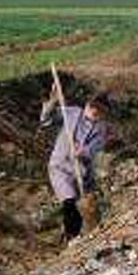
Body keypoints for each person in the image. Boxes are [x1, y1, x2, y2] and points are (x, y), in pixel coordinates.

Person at [41, 91, 112, 240]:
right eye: (93, 107)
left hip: (81, 173)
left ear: (104, 113)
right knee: (69, 200)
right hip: (60, 166)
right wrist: (52, 102)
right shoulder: (72, 113)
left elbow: (95, 150)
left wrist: (83, 151)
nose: (94, 111)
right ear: (87, 105)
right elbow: (46, 121)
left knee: (86, 205)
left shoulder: (101, 129)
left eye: (99, 110)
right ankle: (71, 238)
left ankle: (80, 234)